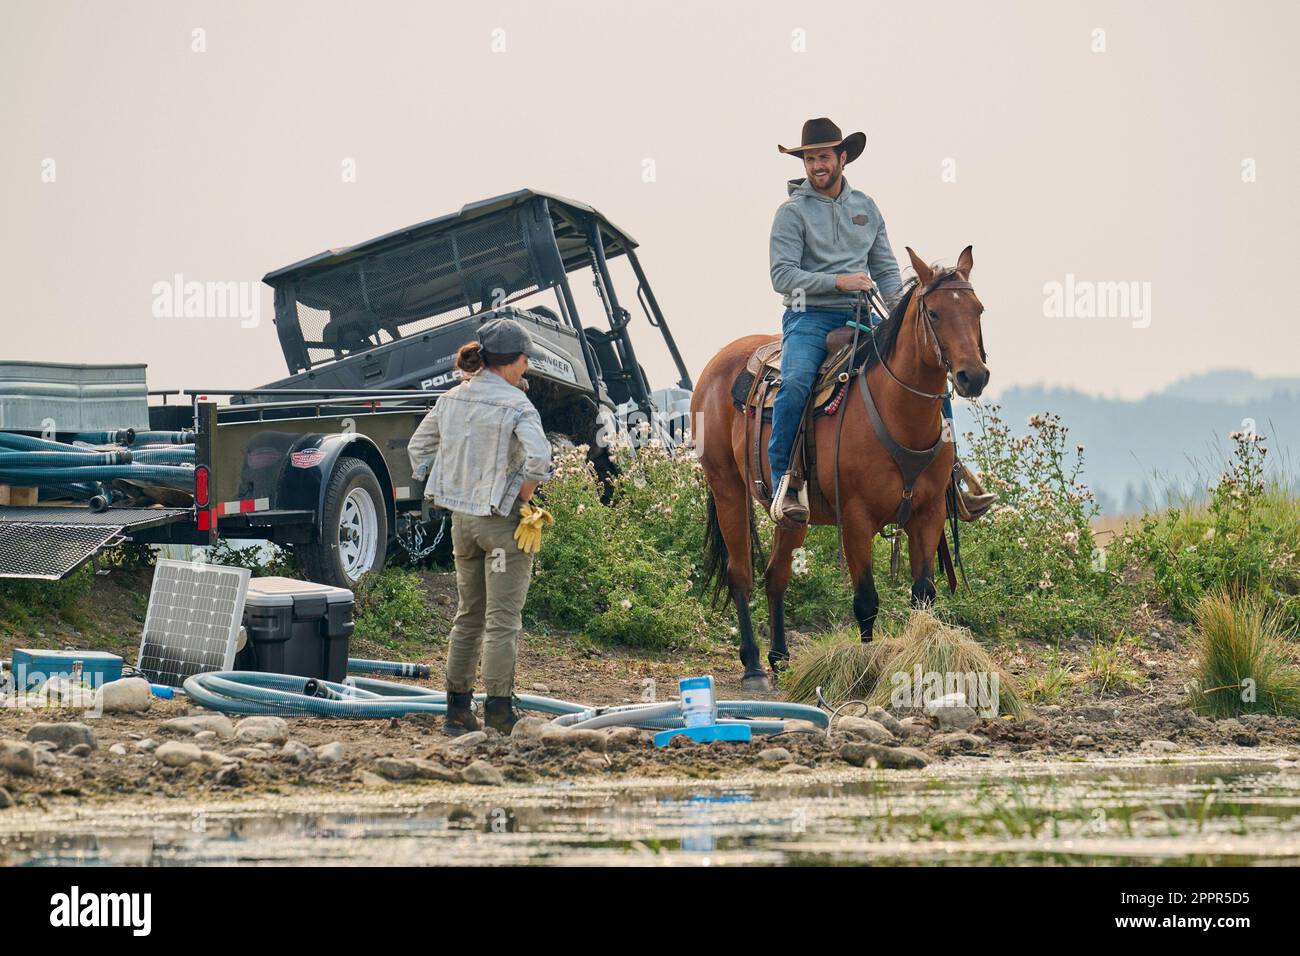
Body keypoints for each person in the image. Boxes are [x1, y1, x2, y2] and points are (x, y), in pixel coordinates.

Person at [768, 116, 996, 523]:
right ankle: (785, 482)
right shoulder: (791, 214)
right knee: (797, 382)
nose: (817, 166)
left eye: (823, 157)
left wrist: (903, 316)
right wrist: (840, 282)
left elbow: (887, 271)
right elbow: (782, 276)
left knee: (928, 375)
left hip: (863, 317)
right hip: (808, 318)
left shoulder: (866, 208)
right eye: (809, 160)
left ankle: (952, 474)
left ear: (842, 158)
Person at [407, 317, 554, 736]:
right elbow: (539, 460)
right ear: (514, 362)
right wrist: (523, 495)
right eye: (526, 361)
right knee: (502, 618)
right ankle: (499, 712)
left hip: (462, 523)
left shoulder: (451, 398)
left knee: (467, 615)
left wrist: (449, 483)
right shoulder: (517, 404)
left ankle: (455, 712)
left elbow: (419, 450)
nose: (527, 368)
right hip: (501, 524)